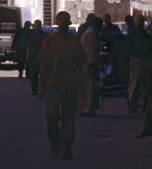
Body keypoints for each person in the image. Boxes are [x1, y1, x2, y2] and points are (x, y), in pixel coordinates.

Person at [38, 11, 85, 159]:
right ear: (58, 23)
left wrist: (81, 86)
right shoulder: (49, 42)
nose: (63, 24)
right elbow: (44, 65)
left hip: (69, 85)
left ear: (68, 23)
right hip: (53, 84)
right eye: (61, 21)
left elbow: (80, 65)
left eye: (65, 21)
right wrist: (41, 85)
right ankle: (56, 144)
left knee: (68, 117)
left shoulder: (74, 42)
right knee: (51, 116)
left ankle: (66, 147)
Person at [125, 14, 152, 113]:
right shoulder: (139, 34)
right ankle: (136, 104)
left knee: (140, 84)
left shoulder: (139, 34)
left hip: (141, 60)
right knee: (137, 84)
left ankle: (138, 104)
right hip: (139, 60)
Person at [78, 14, 101, 115]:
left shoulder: (89, 32)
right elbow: (90, 51)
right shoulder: (91, 34)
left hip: (84, 62)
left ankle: (84, 107)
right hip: (87, 63)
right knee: (88, 87)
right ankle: (86, 108)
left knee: (85, 87)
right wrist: (92, 65)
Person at [26, 19, 46, 95]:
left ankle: (42, 89)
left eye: (38, 25)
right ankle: (34, 89)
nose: (37, 27)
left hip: (42, 57)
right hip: (33, 58)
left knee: (43, 74)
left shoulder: (45, 35)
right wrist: (27, 57)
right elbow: (28, 47)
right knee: (33, 75)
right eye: (35, 25)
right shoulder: (31, 35)